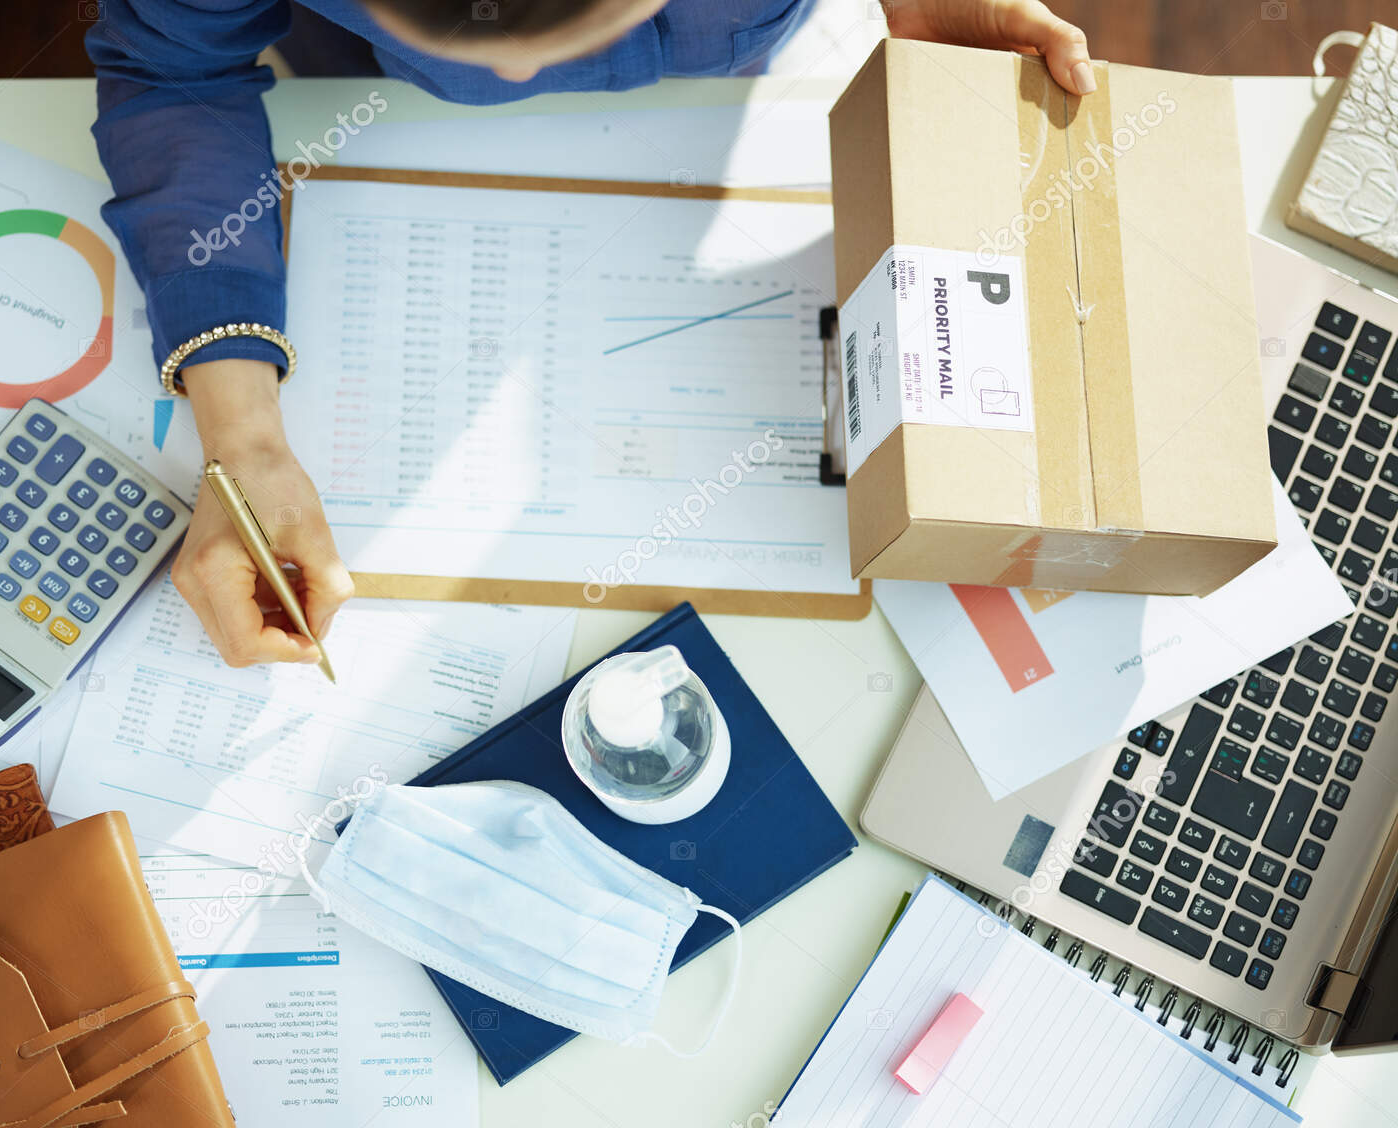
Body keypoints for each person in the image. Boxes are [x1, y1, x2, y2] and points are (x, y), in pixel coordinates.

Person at [86, 0, 1094, 668]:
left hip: (759, 110)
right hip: (359, 103)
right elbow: (172, 74)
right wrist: (243, 436)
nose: (524, 76)